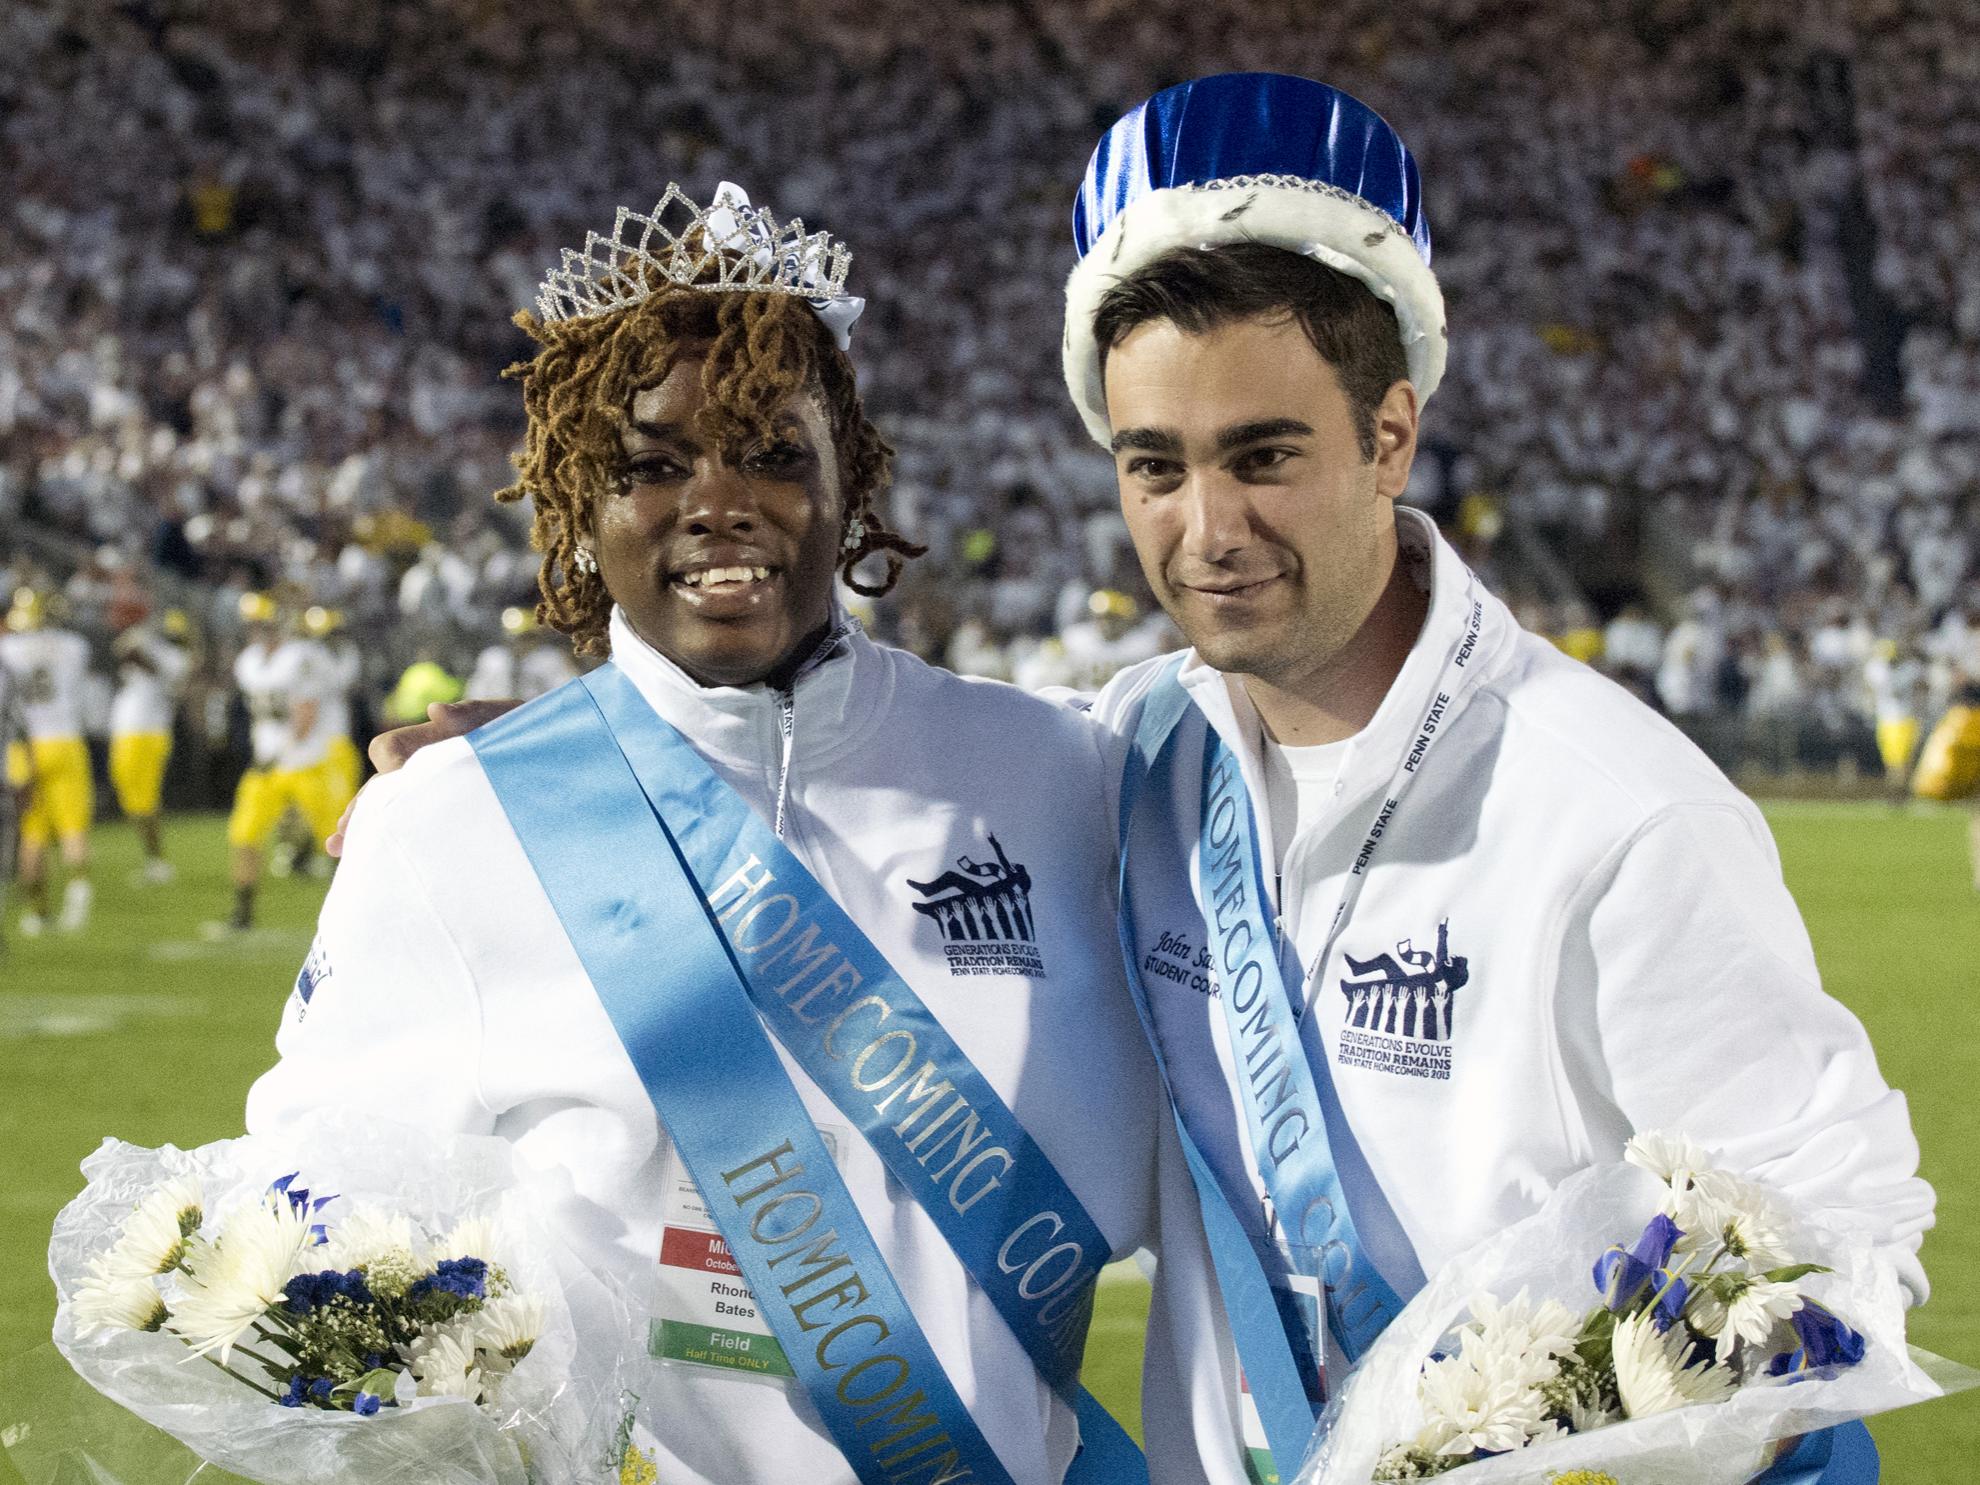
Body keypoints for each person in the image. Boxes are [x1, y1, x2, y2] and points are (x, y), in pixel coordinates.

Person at [1062, 73, 1928, 1485]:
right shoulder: (1130, 755)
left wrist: (1612, 1435)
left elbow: (1838, 1222)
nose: (1205, 527)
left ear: (1391, 437)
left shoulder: (1620, 809)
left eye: (1263, 455)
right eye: (1152, 465)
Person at [248, 184, 1166, 1485]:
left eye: (774, 453)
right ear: (579, 506)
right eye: (653, 464)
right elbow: (310, 1220)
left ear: (853, 476)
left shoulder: (1060, 776)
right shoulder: (456, 823)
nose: (719, 500)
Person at [220, 592, 342, 932]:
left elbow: (306, 712)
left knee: (335, 840)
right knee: (245, 834)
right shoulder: (248, 661)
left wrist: (278, 752)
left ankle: (353, 909)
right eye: (253, 625)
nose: (258, 631)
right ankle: (242, 913)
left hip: (306, 761)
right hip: (266, 764)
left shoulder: (299, 657)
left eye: (263, 624)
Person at [0, 588, 97, 935]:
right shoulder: (74, 646)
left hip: (24, 748)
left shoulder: (8, 649)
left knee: (32, 834)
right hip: (65, 740)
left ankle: (37, 913)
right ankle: (78, 897)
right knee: (73, 828)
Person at [108, 608, 193, 883]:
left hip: (148, 733)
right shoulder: (155, 646)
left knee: (145, 801)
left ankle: (158, 861)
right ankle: (154, 859)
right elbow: (120, 649)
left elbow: (145, 663)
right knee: (131, 800)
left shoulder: (178, 658)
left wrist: (137, 640)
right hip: (128, 732)